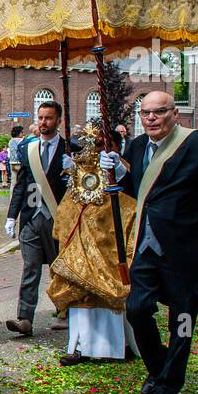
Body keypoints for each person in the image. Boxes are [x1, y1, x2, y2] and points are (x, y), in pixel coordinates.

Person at [103, 91, 198, 394]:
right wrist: (120, 174)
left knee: (182, 321)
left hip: (185, 251)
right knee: (137, 310)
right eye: (145, 113)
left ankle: (169, 387)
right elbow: (140, 191)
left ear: (175, 114)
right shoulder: (138, 147)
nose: (151, 118)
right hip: (146, 247)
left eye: (159, 112)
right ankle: (158, 367)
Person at [47, 125, 137, 364]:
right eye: (90, 145)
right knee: (80, 292)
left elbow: (132, 204)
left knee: (110, 293)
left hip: (107, 245)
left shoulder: (123, 169)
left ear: (115, 147)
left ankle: (118, 346)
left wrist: (118, 173)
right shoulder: (79, 172)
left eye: (100, 145)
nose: (94, 151)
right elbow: (66, 209)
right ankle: (77, 346)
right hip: (80, 244)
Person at [4, 100, 73, 337]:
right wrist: (12, 216)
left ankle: (65, 311)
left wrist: (74, 171)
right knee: (30, 268)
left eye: (49, 118)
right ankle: (25, 318)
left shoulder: (70, 149)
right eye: (41, 118)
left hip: (59, 219)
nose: (44, 123)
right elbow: (21, 185)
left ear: (59, 121)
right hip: (32, 218)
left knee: (60, 269)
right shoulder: (28, 149)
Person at [7, 125, 25, 189]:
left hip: (12, 162)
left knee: (13, 183)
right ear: (18, 133)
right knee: (21, 182)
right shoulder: (21, 140)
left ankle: (12, 198)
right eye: (22, 132)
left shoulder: (10, 141)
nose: (23, 134)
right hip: (19, 163)